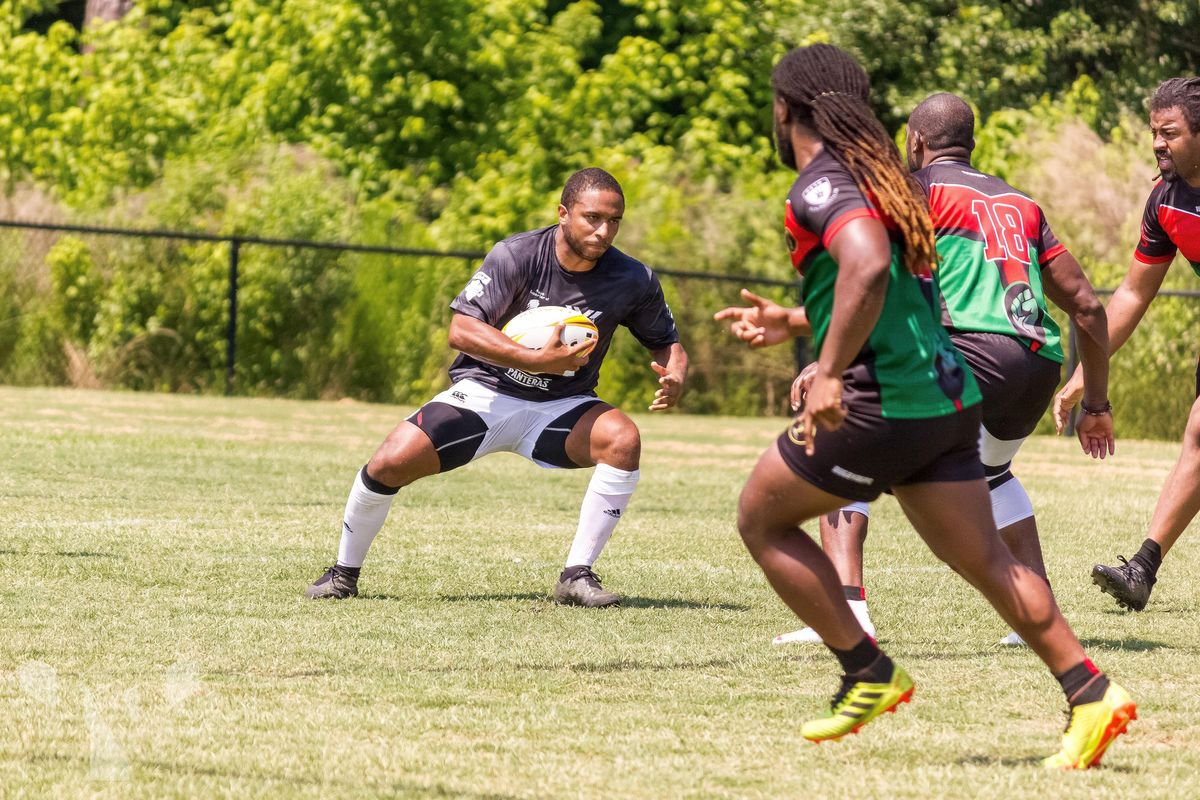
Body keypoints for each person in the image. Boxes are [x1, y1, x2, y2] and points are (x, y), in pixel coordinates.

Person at [721, 43, 1133, 768]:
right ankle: (1092, 693)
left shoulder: (822, 183)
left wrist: (826, 372)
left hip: (887, 402)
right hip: (948, 397)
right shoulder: (885, 181)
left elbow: (869, 266)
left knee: (761, 515)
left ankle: (866, 670)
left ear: (786, 111)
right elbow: (903, 289)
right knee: (987, 563)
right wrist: (796, 320)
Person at [304, 168, 688, 607]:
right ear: (563, 213)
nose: (604, 231)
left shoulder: (633, 277)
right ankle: (342, 574)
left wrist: (674, 372)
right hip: (485, 394)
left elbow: (666, 343)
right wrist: (533, 359)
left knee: (623, 439)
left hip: (562, 406)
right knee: (387, 464)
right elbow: (462, 330)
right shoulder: (517, 255)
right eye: (592, 218)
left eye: (614, 221)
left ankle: (576, 576)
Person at [1055, 77, 1200, 612]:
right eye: (1154, 133)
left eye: (1171, 133)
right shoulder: (1165, 202)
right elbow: (1133, 295)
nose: (1159, 144)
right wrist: (1082, 378)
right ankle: (1141, 569)